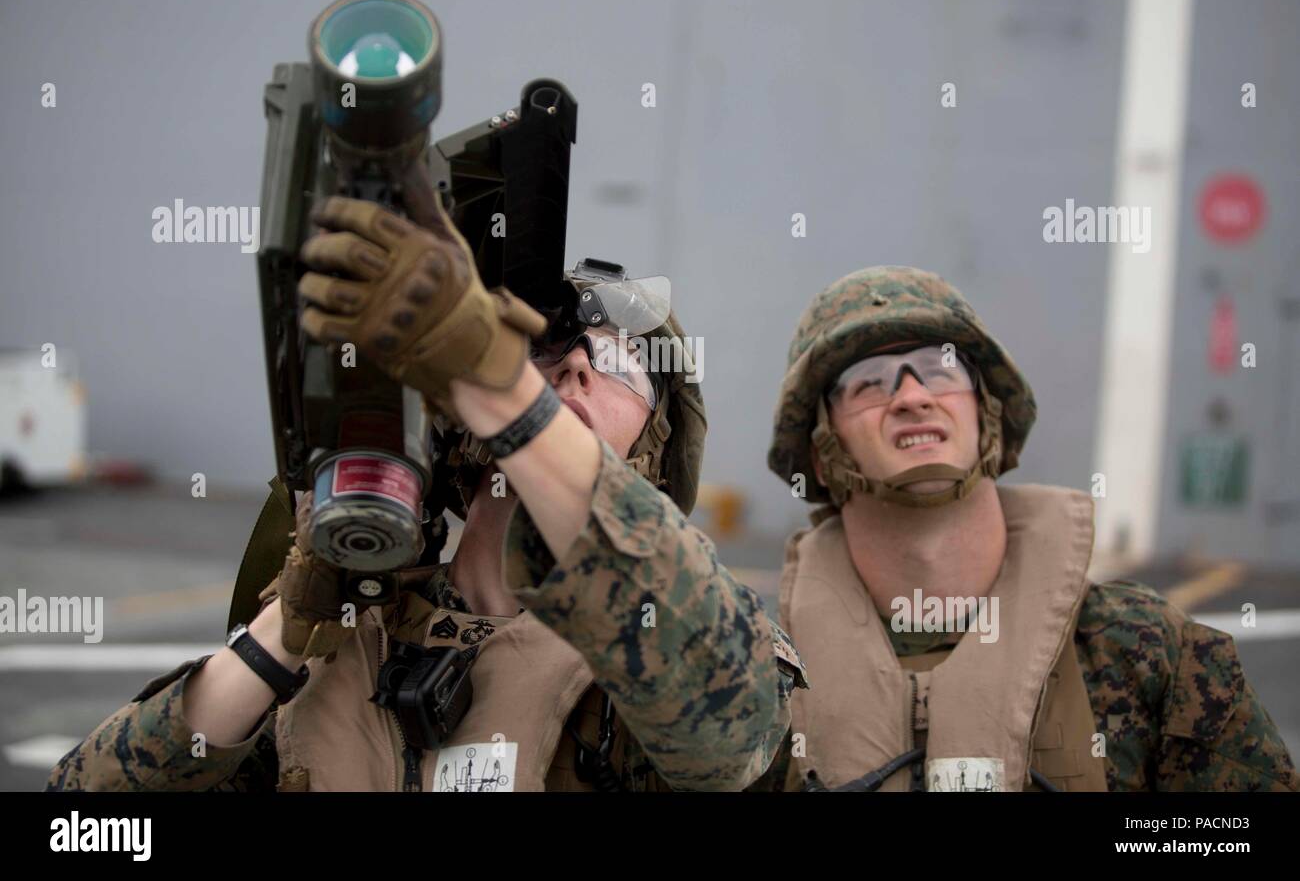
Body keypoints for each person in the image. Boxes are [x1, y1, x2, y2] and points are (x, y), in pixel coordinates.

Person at [47, 193, 805, 792]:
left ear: (655, 448)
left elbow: (731, 746)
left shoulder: (668, 651)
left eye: (620, 365)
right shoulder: (340, 643)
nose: (576, 368)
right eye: (543, 346)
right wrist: (289, 628)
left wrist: (515, 398)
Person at [752, 265, 1296, 792]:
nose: (913, 396)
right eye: (867, 383)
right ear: (821, 453)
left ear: (989, 415)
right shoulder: (751, 683)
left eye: (941, 369)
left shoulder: (1148, 653)